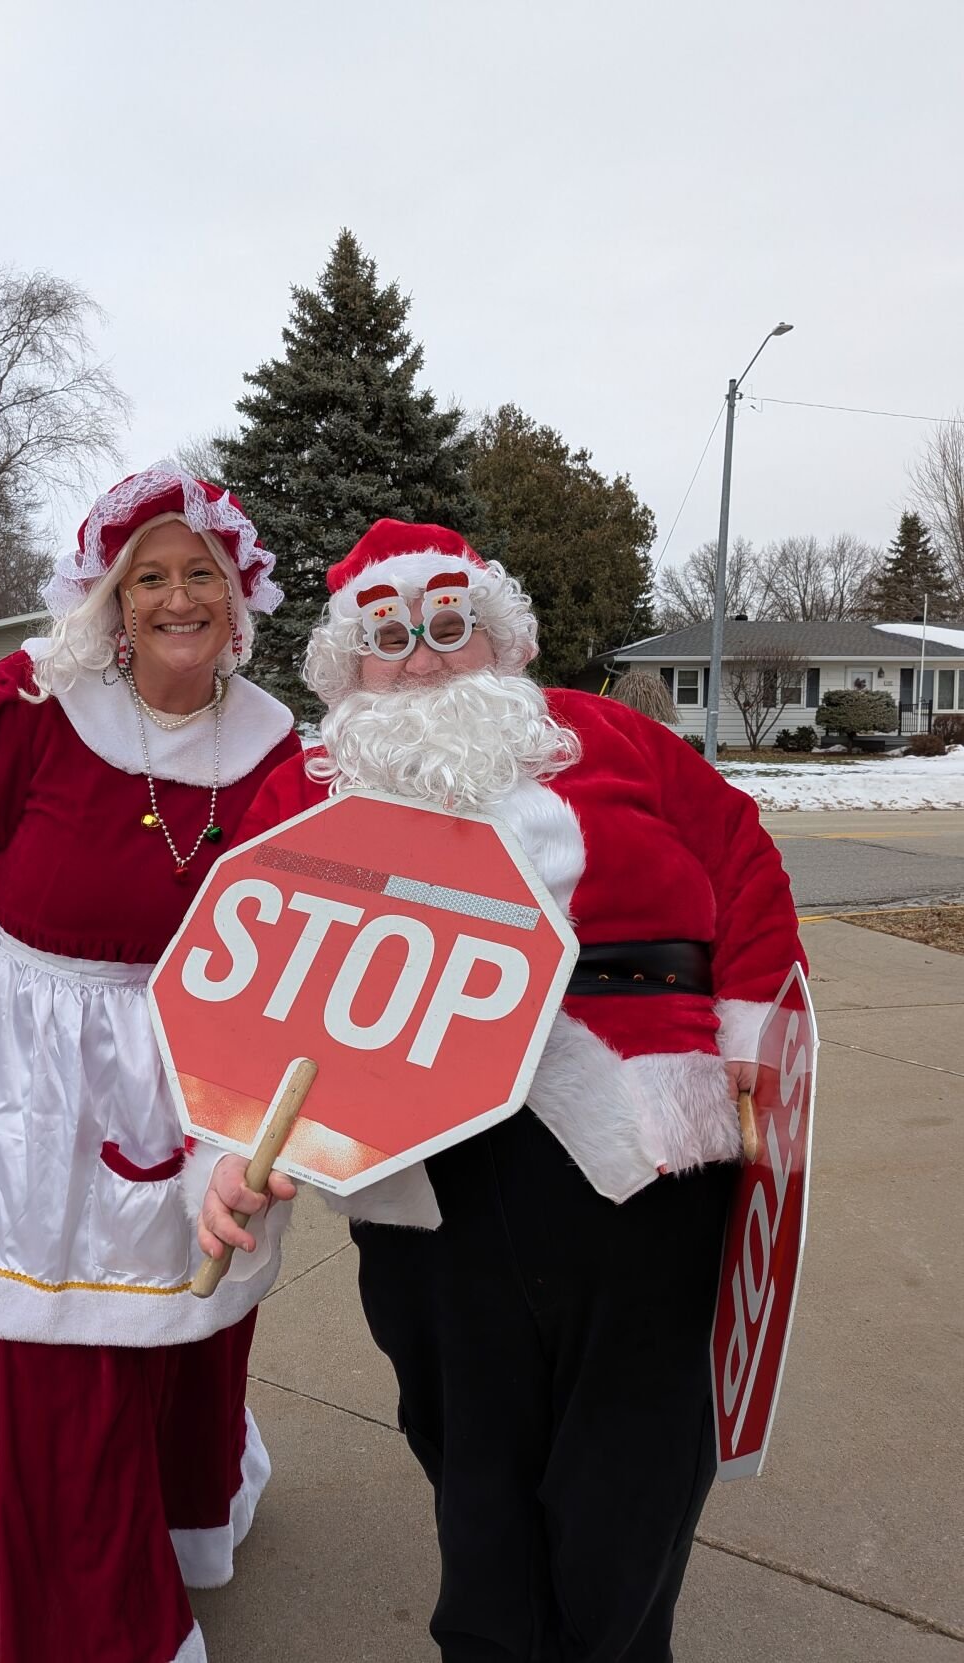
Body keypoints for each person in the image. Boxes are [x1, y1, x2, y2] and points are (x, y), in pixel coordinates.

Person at [201, 518, 806, 1663]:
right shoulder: (309, 783)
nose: (422, 657)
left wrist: (751, 1032)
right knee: (471, 1461)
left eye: (448, 625)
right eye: (389, 634)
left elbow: (740, 851)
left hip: (640, 1139)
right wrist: (235, 1145)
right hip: (424, 1167)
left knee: (630, 1466)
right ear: (348, 660)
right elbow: (248, 977)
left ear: (499, 639)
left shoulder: (605, 734)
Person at [0, 463, 301, 1663]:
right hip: (12, 1089)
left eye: (200, 572)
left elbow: (296, 948)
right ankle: (55, 1616)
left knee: (171, 1335)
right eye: (147, 575)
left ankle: (170, 1523)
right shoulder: (21, 712)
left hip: (181, 1082)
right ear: (107, 596)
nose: (175, 597)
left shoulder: (274, 754)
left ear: (241, 596)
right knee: (31, 1375)